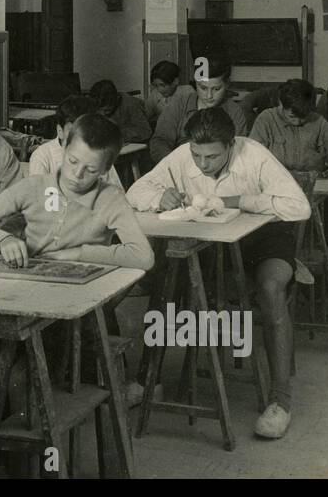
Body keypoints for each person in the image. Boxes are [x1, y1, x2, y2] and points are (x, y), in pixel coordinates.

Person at [127, 108, 310, 440]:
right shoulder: (185, 155)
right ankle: (149, 381)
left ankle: (280, 400)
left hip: (264, 240)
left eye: (211, 156)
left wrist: (238, 200)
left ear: (232, 145)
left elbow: (300, 206)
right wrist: (160, 195)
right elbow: (134, 194)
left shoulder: (255, 155)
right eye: (197, 155)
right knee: (168, 277)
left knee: (271, 289)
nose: (202, 164)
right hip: (215, 243)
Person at [0, 114, 154, 271]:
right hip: (30, 277)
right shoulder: (33, 186)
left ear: (106, 170)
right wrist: (2, 240)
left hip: (83, 280)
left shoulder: (111, 199)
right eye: (73, 161)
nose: (77, 174)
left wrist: (79, 254)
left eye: (90, 170)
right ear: (63, 148)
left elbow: (143, 256)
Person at [149, 55, 250, 160]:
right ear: (196, 83)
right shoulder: (179, 104)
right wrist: (176, 164)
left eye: (216, 89)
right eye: (203, 88)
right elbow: (159, 141)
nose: (209, 95)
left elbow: (236, 152)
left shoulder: (234, 112)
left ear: (227, 84)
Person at [248, 79, 328, 178]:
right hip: (276, 185)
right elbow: (252, 159)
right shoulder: (266, 119)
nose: (298, 122)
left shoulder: (318, 121)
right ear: (281, 104)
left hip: (315, 186)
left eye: (304, 117)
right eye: (292, 117)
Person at [28, 93, 122, 186]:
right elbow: (37, 197)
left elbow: (117, 194)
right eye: (73, 133)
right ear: (60, 131)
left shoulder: (99, 153)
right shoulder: (42, 156)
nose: (81, 139)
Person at [89, 79, 152, 144]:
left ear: (116, 100)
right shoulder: (95, 103)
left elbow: (146, 131)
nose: (102, 114)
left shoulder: (131, 104)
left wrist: (118, 133)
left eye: (106, 111)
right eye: (99, 111)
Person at [145, 60, 181, 125]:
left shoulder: (187, 93)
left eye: (162, 85)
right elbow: (145, 116)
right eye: (156, 85)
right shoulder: (155, 94)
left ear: (175, 81)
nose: (159, 90)